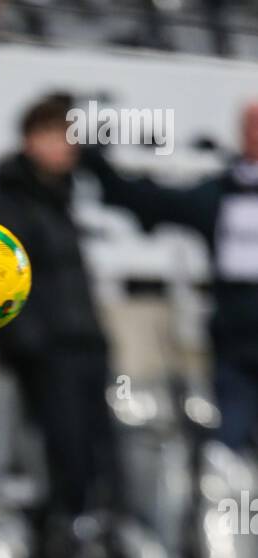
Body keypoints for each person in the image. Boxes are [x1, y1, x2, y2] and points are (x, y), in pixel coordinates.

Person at [79, 99, 258, 455]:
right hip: (237, 341)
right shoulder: (221, 193)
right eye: (251, 127)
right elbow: (155, 201)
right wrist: (98, 165)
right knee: (230, 447)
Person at [0, 93, 119, 553]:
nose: (70, 146)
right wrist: (32, 346)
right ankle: (54, 548)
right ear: (32, 138)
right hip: (50, 356)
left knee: (97, 458)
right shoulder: (9, 205)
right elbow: (3, 286)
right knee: (59, 459)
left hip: (83, 350)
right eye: (60, 134)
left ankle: (86, 544)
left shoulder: (59, 199)